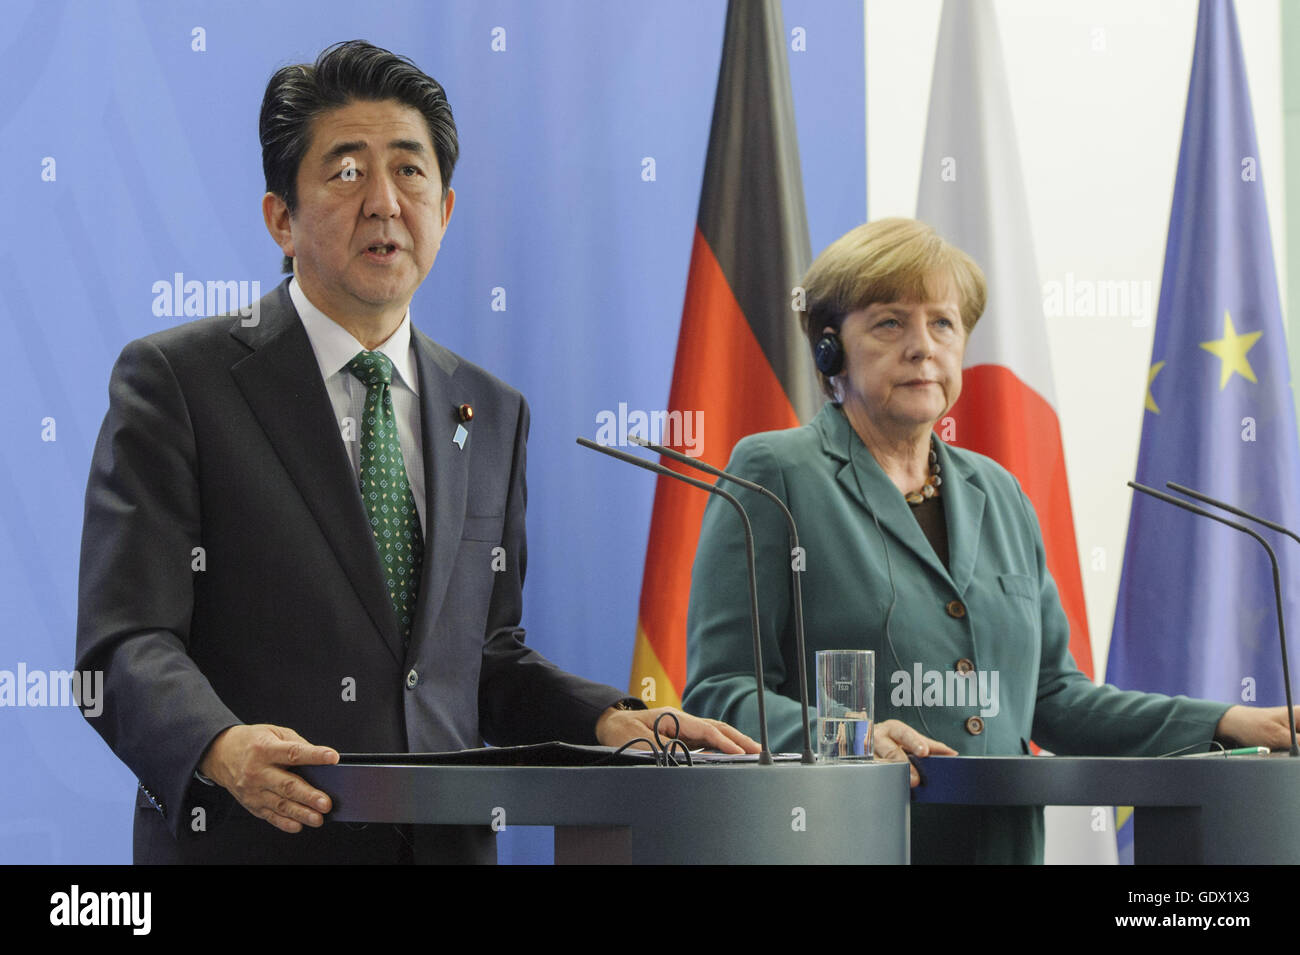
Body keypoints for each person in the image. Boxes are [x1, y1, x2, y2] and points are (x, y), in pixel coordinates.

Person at [75, 39, 756, 865]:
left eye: (409, 170)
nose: (385, 202)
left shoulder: (492, 410)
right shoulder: (180, 382)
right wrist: (219, 745)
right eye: (346, 171)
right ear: (280, 218)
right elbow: (125, 642)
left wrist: (603, 718)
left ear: (447, 208)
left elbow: (481, 657)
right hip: (256, 841)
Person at [681, 217, 1299, 864]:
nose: (924, 347)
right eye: (890, 322)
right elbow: (723, 692)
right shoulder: (776, 473)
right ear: (830, 350)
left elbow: (1054, 698)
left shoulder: (998, 492)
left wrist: (1225, 724)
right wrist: (850, 736)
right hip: (848, 842)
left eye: (943, 323)